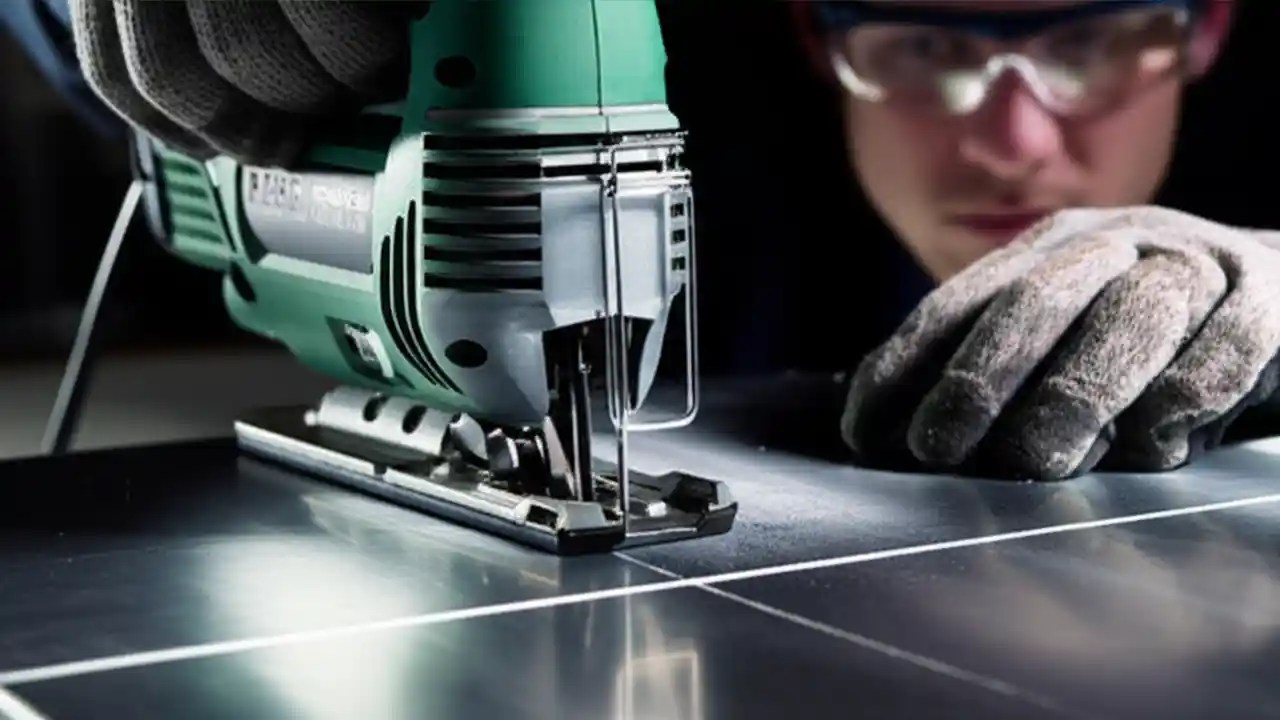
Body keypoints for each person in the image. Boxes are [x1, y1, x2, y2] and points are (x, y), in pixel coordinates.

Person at [5, 0, 1279, 482]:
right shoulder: (676, 61)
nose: (1009, 139)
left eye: (1087, 42)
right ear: (806, 29)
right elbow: (130, 67)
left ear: (1210, 27)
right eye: (924, 45)